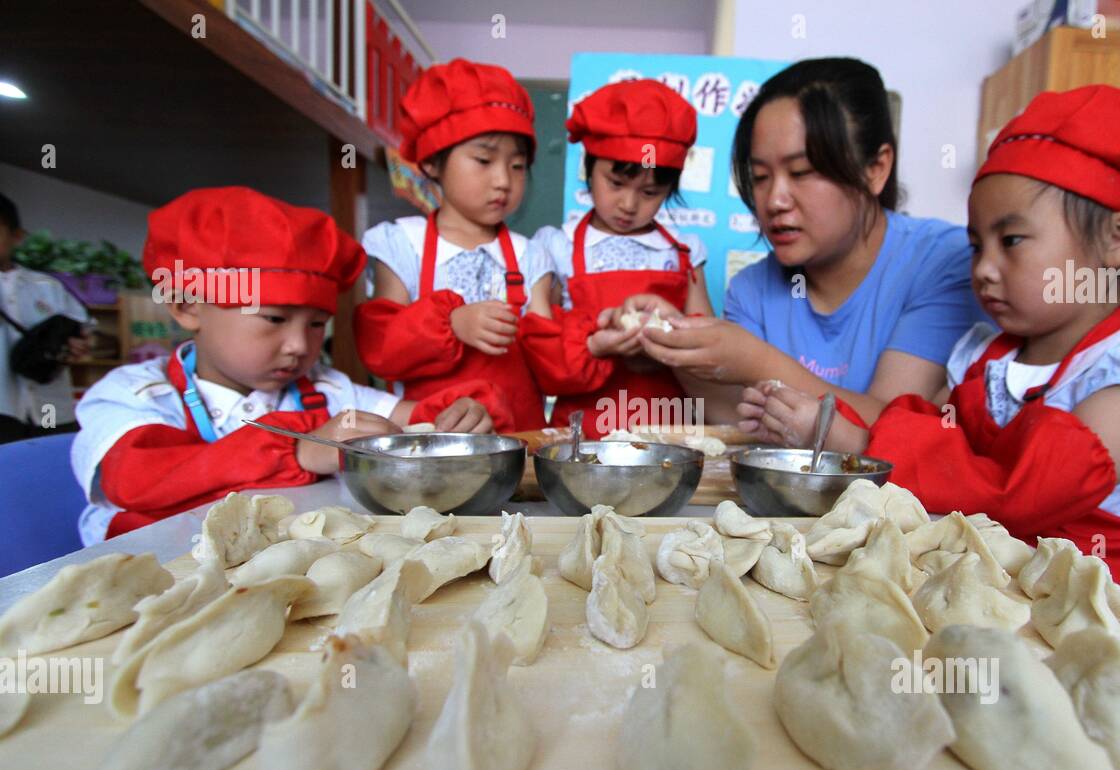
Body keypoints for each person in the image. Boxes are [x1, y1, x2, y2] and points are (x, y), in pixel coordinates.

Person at [743, 85, 1120, 604]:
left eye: (1012, 242)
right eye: (977, 245)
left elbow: (1024, 488)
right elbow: (938, 439)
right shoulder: (988, 357)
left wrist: (858, 445)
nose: (982, 269)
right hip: (993, 598)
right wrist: (817, 417)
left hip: (1110, 619)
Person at [71, 186, 494, 544]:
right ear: (187, 305)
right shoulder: (133, 392)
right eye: (274, 319)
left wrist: (452, 420)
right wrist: (296, 450)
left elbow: (413, 420)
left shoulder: (326, 389)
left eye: (316, 324)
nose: (298, 345)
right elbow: (135, 477)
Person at [625, 58, 987, 429]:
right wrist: (674, 343)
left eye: (801, 172)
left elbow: (896, 428)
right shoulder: (752, 289)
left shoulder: (944, 261)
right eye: (760, 177)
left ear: (875, 169)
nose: (775, 200)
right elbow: (744, 423)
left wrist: (758, 363)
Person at [356, 58, 555, 432]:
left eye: (517, 165)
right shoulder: (401, 243)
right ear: (432, 163)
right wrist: (450, 325)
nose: (503, 180)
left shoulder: (532, 254)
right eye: (483, 160)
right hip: (434, 448)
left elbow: (551, 358)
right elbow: (380, 349)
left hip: (518, 446)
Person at [518, 78, 711, 437]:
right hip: (584, 433)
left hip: (668, 431)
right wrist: (595, 346)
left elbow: (709, 349)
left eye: (650, 192)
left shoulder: (683, 252)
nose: (629, 204)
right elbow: (543, 354)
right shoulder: (556, 247)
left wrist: (666, 348)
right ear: (589, 169)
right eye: (615, 183)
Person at [0, 193, 92, 442]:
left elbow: (85, 333)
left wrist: (77, 346)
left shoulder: (47, 286)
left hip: (52, 412)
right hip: (3, 411)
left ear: (17, 236)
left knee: (51, 473)